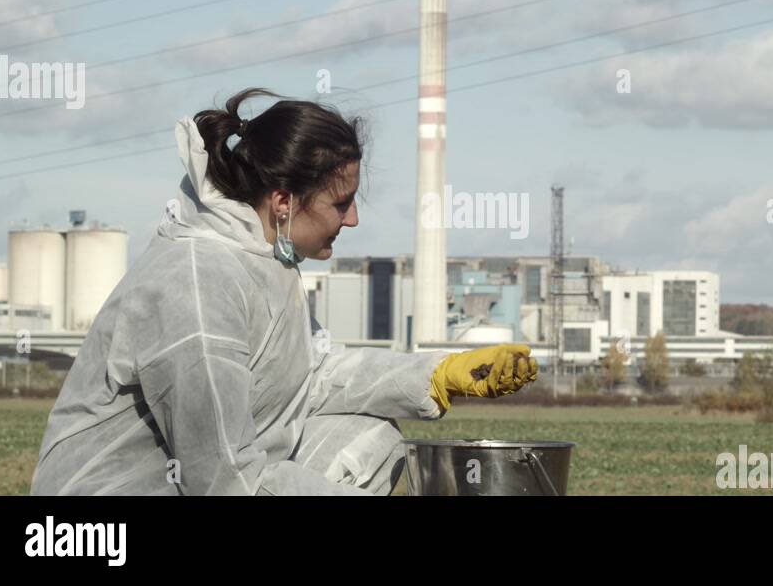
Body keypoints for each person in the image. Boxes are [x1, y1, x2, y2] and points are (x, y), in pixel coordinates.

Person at [30, 88, 537, 496]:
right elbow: (225, 480)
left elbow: (309, 376)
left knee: (369, 439)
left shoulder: (264, 258)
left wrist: (439, 376)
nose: (353, 219)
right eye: (341, 203)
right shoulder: (199, 283)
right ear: (283, 202)